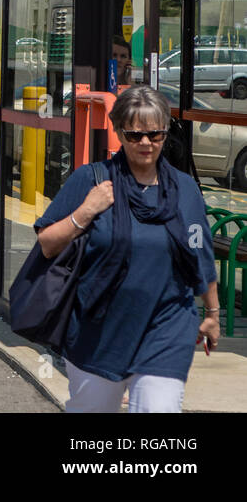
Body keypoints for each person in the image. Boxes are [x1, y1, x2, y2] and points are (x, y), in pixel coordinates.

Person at [34, 84, 220, 412]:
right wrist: (85, 212)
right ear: (119, 132)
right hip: (98, 329)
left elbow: (200, 254)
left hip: (167, 326)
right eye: (135, 135)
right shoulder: (90, 180)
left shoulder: (185, 189)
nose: (146, 143)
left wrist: (212, 313)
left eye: (155, 134)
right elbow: (47, 244)